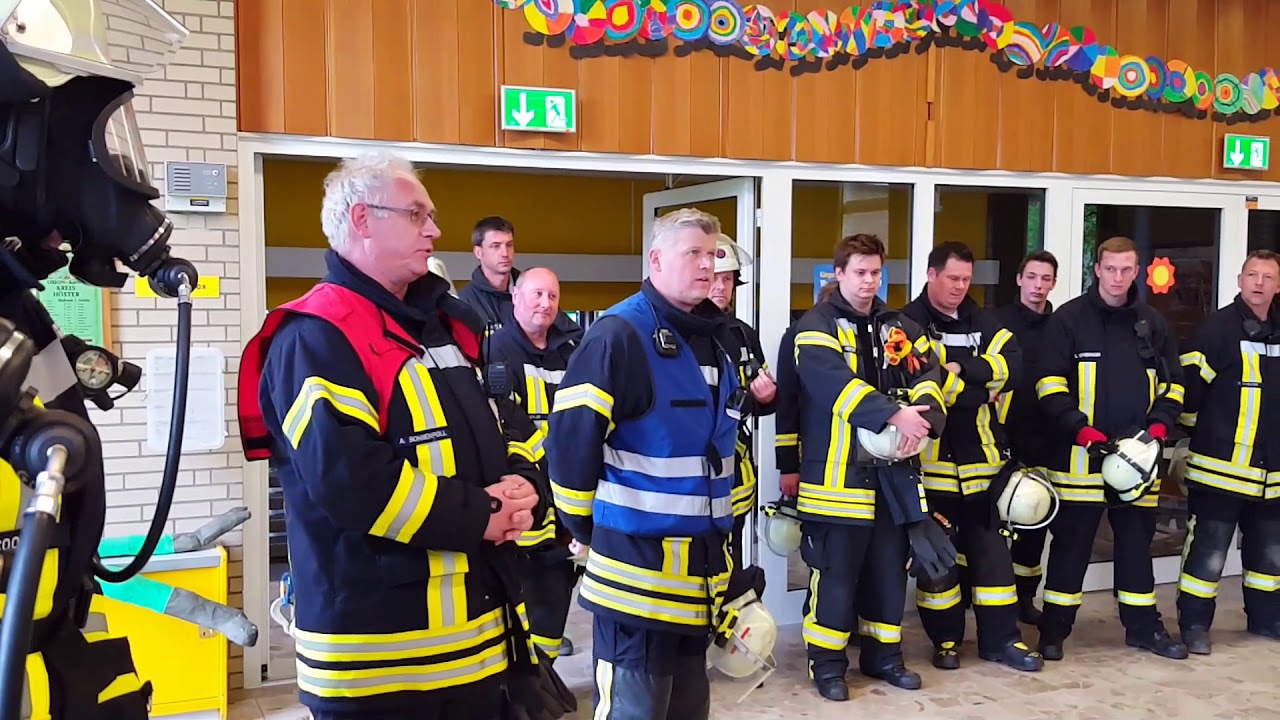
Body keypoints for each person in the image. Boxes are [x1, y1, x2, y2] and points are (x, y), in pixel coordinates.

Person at [237, 153, 554, 719]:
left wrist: (526, 485)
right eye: (417, 215)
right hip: (380, 671)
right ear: (361, 219)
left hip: (476, 652)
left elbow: (509, 427)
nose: (434, 230)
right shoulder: (317, 337)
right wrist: (483, 512)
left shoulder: (445, 327)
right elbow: (352, 482)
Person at [546, 208, 741, 720]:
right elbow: (569, 444)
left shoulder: (714, 337)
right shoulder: (619, 335)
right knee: (633, 712)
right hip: (634, 579)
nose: (706, 266)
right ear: (655, 260)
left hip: (697, 581)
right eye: (692, 254)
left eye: (712, 254)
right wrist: (582, 527)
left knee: (686, 710)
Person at [793, 233, 948, 701]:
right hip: (835, 480)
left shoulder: (898, 326)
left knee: (887, 572)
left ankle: (884, 657)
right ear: (838, 274)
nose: (868, 282)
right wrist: (892, 413)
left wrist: (922, 414)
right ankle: (828, 666)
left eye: (875, 272)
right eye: (859, 272)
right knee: (835, 575)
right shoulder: (814, 325)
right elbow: (828, 381)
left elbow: (929, 372)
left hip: (893, 480)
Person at [1035, 235, 1188, 661]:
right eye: (1110, 268)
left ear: (1136, 272)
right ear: (1097, 270)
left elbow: (1175, 383)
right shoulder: (1068, 320)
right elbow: (1049, 385)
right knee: (1071, 550)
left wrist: (1158, 429)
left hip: (1139, 461)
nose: (1118, 277)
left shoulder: (1152, 323)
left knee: (1136, 549)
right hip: (1081, 459)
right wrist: (1082, 433)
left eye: (1126, 269)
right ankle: (1054, 631)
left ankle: (1143, 628)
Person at [902, 242, 1041, 673]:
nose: (960, 288)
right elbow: (927, 380)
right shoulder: (906, 323)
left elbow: (1015, 366)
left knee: (994, 562)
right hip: (931, 471)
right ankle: (945, 641)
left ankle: (1002, 641)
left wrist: (962, 372)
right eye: (952, 279)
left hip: (984, 471)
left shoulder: (984, 320)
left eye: (966, 279)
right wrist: (981, 385)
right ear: (931, 275)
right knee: (938, 568)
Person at [1176, 249, 1280, 654]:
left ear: (1277, 284)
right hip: (1219, 472)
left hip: (1271, 476)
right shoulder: (1214, 330)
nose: (1259, 283)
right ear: (1239, 281)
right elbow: (1189, 395)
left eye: (1267, 277)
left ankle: (1267, 619)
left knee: (1270, 559)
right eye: (1252, 275)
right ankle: (1195, 625)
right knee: (1208, 555)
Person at [488, 266, 582, 662]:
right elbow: (500, 427)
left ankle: (544, 679)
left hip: (565, 500)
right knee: (519, 606)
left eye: (553, 297)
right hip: (523, 503)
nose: (545, 304)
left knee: (555, 601)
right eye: (537, 295)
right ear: (516, 298)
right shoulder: (496, 352)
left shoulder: (571, 352)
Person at [995, 250, 1060, 626]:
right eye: (1032, 277)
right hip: (1001, 438)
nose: (1038, 286)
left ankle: (1024, 599)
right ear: (1019, 279)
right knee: (990, 524)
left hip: (1046, 440)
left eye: (1045, 279)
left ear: (1053, 283)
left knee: (1034, 524)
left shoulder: (1061, 325)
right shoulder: (997, 324)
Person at [707, 232, 778, 568]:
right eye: (714, 278)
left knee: (731, 561)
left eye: (728, 279)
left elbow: (760, 398)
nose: (721, 287)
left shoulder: (743, 335)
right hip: (694, 477)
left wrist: (765, 397)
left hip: (737, 475)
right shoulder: (676, 332)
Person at [458, 215, 583, 340]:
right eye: (496, 246)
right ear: (479, 252)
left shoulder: (533, 291)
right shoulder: (465, 301)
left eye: (509, 245)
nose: (505, 254)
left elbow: (576, 338)